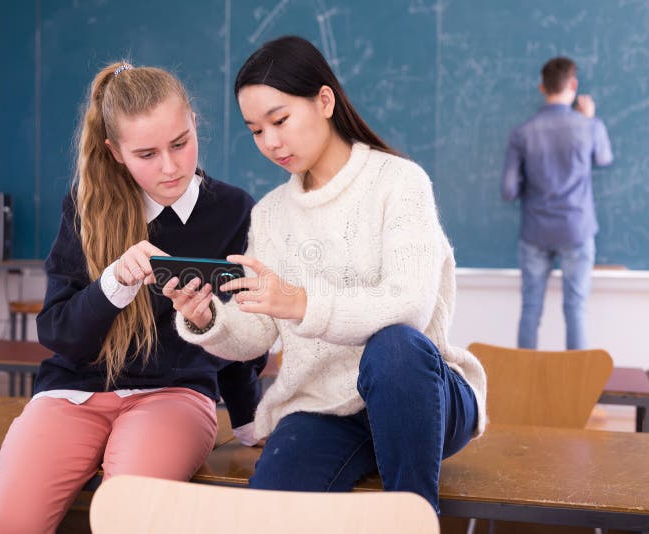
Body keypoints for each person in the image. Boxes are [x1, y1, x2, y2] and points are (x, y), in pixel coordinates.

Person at [164, 35, 487, 512]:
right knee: (270, 507)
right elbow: (257, 332)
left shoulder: (400, 182)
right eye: (255, 130)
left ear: (324, 101)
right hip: (325, 406)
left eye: (279, 120)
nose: (270, 142)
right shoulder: (271, 214)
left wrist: (302, 303)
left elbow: (410, 307)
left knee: (394, 347)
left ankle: (415, 518)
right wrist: (207, 319)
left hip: (421, 396)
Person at [0, 62, 266, 533]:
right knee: (9, 525)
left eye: (180, 143)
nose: (170, 166)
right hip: (71, 394)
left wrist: (247, 414)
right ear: (115, 152)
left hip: (173, 394)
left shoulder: (234, 210)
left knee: (126, 521)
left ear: (194, 122)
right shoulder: (87, 206)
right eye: (146, 154)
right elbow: (60, 335)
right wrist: (113, 283)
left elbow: (244, 329)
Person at [502, 57, 613, 350]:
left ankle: (524, 388)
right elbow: (604, 158)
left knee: (530, 309)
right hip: (577, 227)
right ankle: (577, 392)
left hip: (535, 231)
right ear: (573, 85)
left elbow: (509, 190)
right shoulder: (588, 127)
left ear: (542, 87)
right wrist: (590, 119)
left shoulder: (522, 133)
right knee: (575, 309)